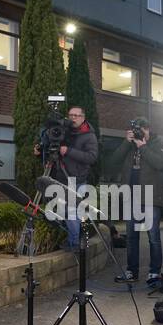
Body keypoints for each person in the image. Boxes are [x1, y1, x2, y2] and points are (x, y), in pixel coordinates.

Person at [108, 116, 163, 286]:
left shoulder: (158, 144)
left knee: (153, 238)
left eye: (142, 130)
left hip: (150, 198)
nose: (139, 133)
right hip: (131, 197)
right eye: (136, 130)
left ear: (148, 130)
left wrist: (143, 147)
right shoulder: (129, 145)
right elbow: (113, 161)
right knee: (131, 238)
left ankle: (154, 272)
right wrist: (126, 143)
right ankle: (131, 271)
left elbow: (161, 163)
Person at [35, 105, 97, 250]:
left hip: (77, 179)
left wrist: (68, 151)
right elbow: (53, 151)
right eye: (70, 115)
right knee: (65, 212)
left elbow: (92, 157)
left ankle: (74, 243)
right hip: (61, 177)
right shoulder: (64, 131)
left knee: (71, 212)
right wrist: (40, 151)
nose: (73, 118)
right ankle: (73, 239)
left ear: (83, 118)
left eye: (76, 116)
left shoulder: (89, 135)